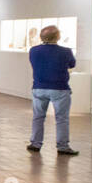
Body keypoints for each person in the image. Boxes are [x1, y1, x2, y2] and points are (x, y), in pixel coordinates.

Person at [27, 25, 77, 155]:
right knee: (62, 118)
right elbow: (72, 64)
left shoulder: (34, 50)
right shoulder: (66, 51)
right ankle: (63, 146)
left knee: (38, 117)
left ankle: (35, 143)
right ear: (57, 36)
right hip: (60, 88)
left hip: (39, 87)